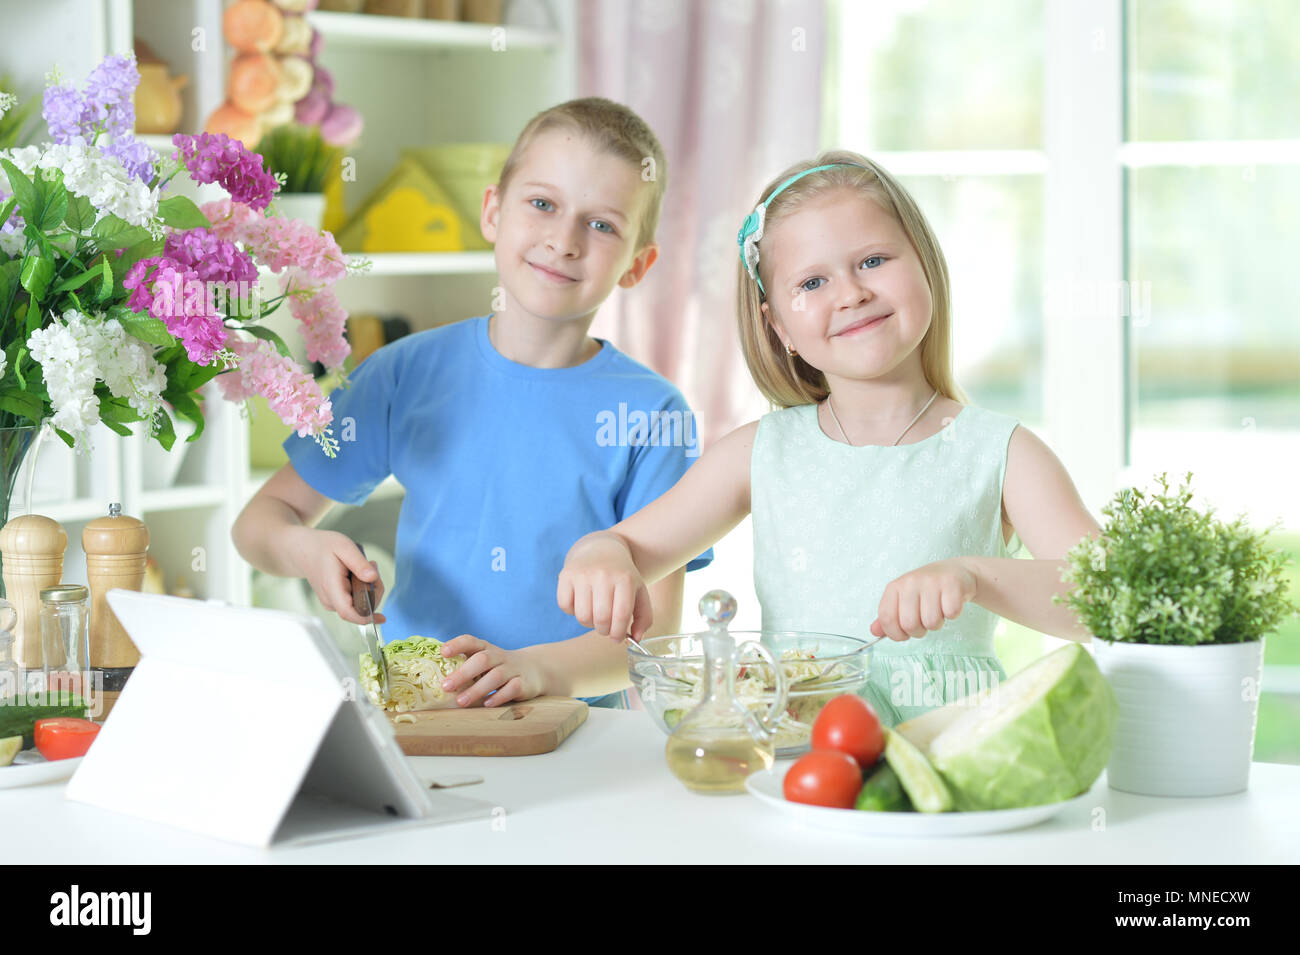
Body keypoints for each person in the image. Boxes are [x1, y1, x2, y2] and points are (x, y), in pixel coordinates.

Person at [557, 151, 1102, 726]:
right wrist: (598, 554)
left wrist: (973, 576)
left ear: (926, 266)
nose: (850, 293)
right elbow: (626, 548)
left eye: (872, 260)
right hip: (800, 760)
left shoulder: (1004, 453)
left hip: (949, 760)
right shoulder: (758, 453)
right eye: (812, 281)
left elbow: (1103, 597)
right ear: (779, 327)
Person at [233, 98, 711, 709]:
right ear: (492, 211)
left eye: (601, 225)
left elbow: (657, 636)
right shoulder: (406, 373)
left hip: (567, 739)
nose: (563, 240)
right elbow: (259, 522)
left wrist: (534, 672)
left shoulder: (654, 416)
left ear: (637, 264)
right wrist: (305, 548)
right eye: (542, 204)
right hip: (419, 716)